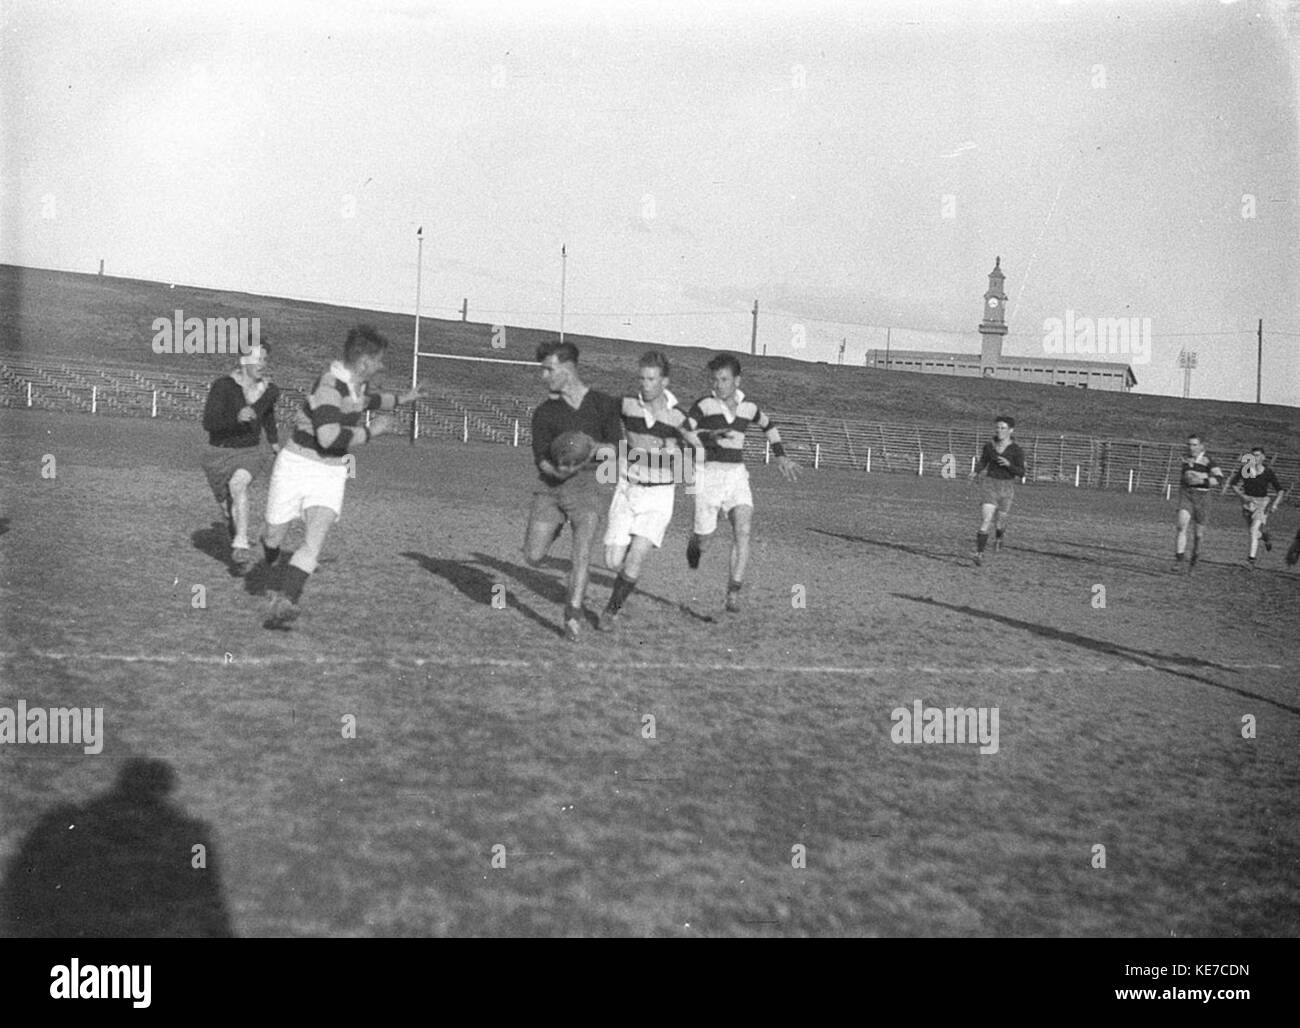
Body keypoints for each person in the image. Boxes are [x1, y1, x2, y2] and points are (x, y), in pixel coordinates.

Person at [260, 325, 423, 628]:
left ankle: (287, 600)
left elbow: (371, 401)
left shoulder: (356, 386)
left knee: (314, 541)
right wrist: (371, 432)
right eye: (378, 361)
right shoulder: (329, 386)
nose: (381, 366)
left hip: (332, 470)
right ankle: (269, 551)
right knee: (274, 535)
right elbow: (328, 436)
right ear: (364, 363)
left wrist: (404, 398)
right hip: (297, 463)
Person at [523, 340, 623, 642]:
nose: (543, 376)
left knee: (582, 554)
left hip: (589, 487)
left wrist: (592, 449)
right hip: (552, 486)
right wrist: (559, 470)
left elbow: (617, 449)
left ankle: (572, 615)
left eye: (548, 369)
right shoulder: (544, 413)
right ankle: (554, 528)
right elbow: (541, 460)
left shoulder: (603, 404)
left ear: (567, 369)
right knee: (533, 556)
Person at [684, 353, 799, 612]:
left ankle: (733, 592)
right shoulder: (703, 405)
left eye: (724, 379)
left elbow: (769, 426)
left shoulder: (749, 407)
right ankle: (695, 542)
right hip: (708, 475)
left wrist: (780, 456)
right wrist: (707, 434)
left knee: (743, 530)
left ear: (737, 380)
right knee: (705, 539)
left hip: (736, 474)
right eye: (714, 380)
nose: (718, 384)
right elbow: (685, 431)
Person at [596, 351, 695, 632]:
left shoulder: (678, 417)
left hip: (659, 496)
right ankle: (626, 564)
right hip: (627, 489)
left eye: (651, 379)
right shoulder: (627, 405)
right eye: (641, 378)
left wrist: (678, 454)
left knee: (637, 554)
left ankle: (611, 611)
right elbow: (602, 420)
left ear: (664, 381)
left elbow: (694, 454)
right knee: (613, 560)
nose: (645, 384)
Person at [200, 342, 280, 571]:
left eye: (265, 359)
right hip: (218, 452)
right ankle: (236, 533)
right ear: (244, 361)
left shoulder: (269, 390)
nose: (263, 365)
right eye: (259, 359)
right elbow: (209, 423)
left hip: (250, 451)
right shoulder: (222, 386)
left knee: (239, 485)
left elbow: (267, 417)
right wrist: (236, 417)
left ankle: (241, 543)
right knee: (228, 509)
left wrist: (274, 443)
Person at [968, 415, 1026, 566]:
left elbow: (1021, 472)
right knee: (986, 519)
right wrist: (976, 471)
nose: (999, 430)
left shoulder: (1016, 450)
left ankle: (999, 536)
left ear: (1011, 430)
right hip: (990, 484)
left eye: (1003, 428)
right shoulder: (989, 446)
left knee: (1000, 522)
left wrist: (1008, 464)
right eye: (998, 427)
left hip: (1007, 487)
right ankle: (979, 553)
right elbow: (983, 461)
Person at [1224, 447, 1286, 566]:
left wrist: (1275, 504)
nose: (1255, 458)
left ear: (1263, 457)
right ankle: (1264, 537)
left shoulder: (1268, 472)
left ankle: (1250, 560)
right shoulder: (1245, 470)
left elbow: (1280, 490)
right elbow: (1233, 484)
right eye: (1252, 455)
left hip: (1262, 503)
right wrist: (1242, 496)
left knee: (1253, 531)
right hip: (1248, 503)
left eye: (1257, 455)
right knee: (1254, 533)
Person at [1174, 433, 1224, 570]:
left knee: (1198, 534)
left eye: (1194, 445)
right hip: (1187, 495)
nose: (1191, 447)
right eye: (1189, 444)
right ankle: (1179, 559)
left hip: (1203, 498)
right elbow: (1184, 479)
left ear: (1201, 446)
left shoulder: (1208, 461)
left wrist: (1202, 480)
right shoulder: (1185, 460)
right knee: (1181, 525)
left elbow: (1220, 478)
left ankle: (1196, 554)